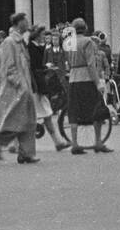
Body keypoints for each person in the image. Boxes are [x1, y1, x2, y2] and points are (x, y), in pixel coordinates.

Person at [0, 13, 39, 163]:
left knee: (27, 121)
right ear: (19, 23)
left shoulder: (20, 41)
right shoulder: (10, 42)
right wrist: (20, 85)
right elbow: (9, 68)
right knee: (15, 121)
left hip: (24, 88)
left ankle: (26, 153)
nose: (28, 23)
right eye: (26, 20)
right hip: (16, 89)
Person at [64, 18, 112, 154]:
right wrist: (98, 82)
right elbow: (91, 64)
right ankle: (98, 142)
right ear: (85, 28)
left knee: (74, 110)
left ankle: (75, 143)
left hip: (73, 78)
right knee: (96, 109)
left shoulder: (69, 42)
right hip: (86, 78)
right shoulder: (88, 42)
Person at [28, 25, 70, 150]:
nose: (44, 38)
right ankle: (17, 143)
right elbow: (35, 68)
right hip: (36, 86)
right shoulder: (31, 48)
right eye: (42, 35)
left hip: (39, 86)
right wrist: (46, 68)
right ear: (37, 36)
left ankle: (58, 142)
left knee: (46, 115)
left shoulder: (37, 48)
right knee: (42, 115)